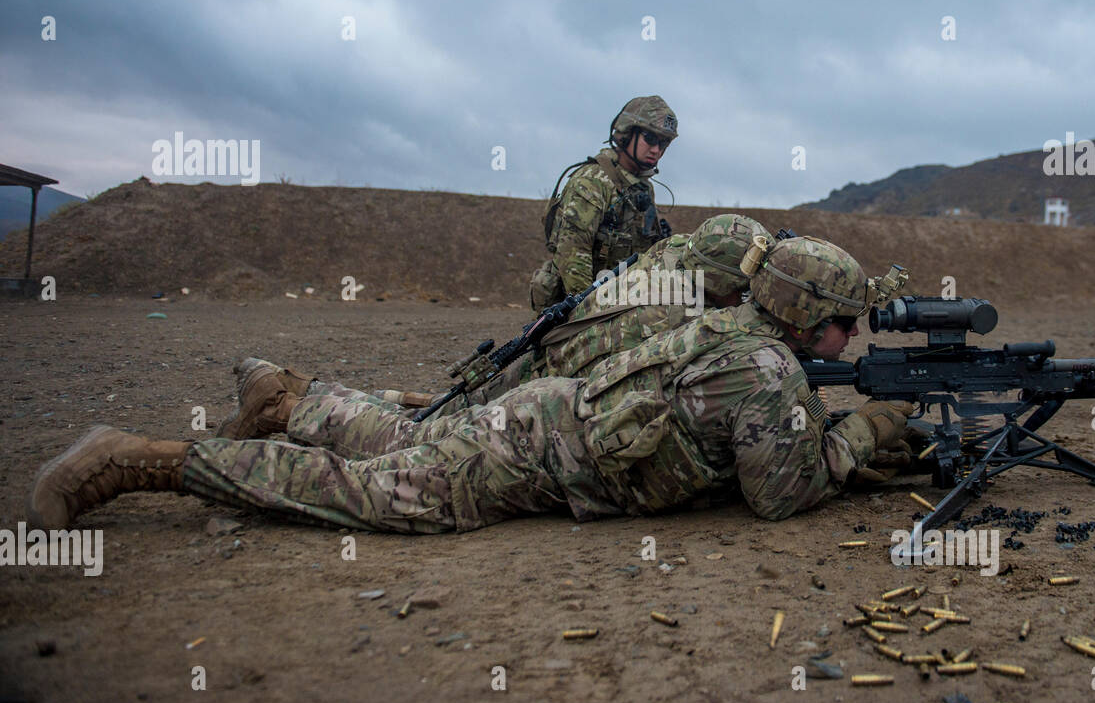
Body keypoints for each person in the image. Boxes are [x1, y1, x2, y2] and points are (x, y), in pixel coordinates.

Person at [29, 236, 915, 534]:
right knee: (377, 498)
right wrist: (869, 430)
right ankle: (136, 462)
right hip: (534, 459)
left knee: (407, 437)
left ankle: (291, 398)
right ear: (808, 318)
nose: (852, 337)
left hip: (538, 417)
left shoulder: (738, 327)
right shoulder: (764, 368)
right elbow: (782, 492)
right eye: (847, 322)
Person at [370, 213, 769, 417]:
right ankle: (332, 407)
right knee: (443, 423)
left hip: (556, 351)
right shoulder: (679, 318)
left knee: (459, 407)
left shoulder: (674, 255)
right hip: (551, 384)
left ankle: (372, 402)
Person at [529, 96, 678, 311]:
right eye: (650, 138)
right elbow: (572, 255)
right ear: (628, 134)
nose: (656, 149)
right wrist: (588, 313)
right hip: (579, 305)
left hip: (621, 300)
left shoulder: (642, 187)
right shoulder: (593, 181)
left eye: (663, 143)